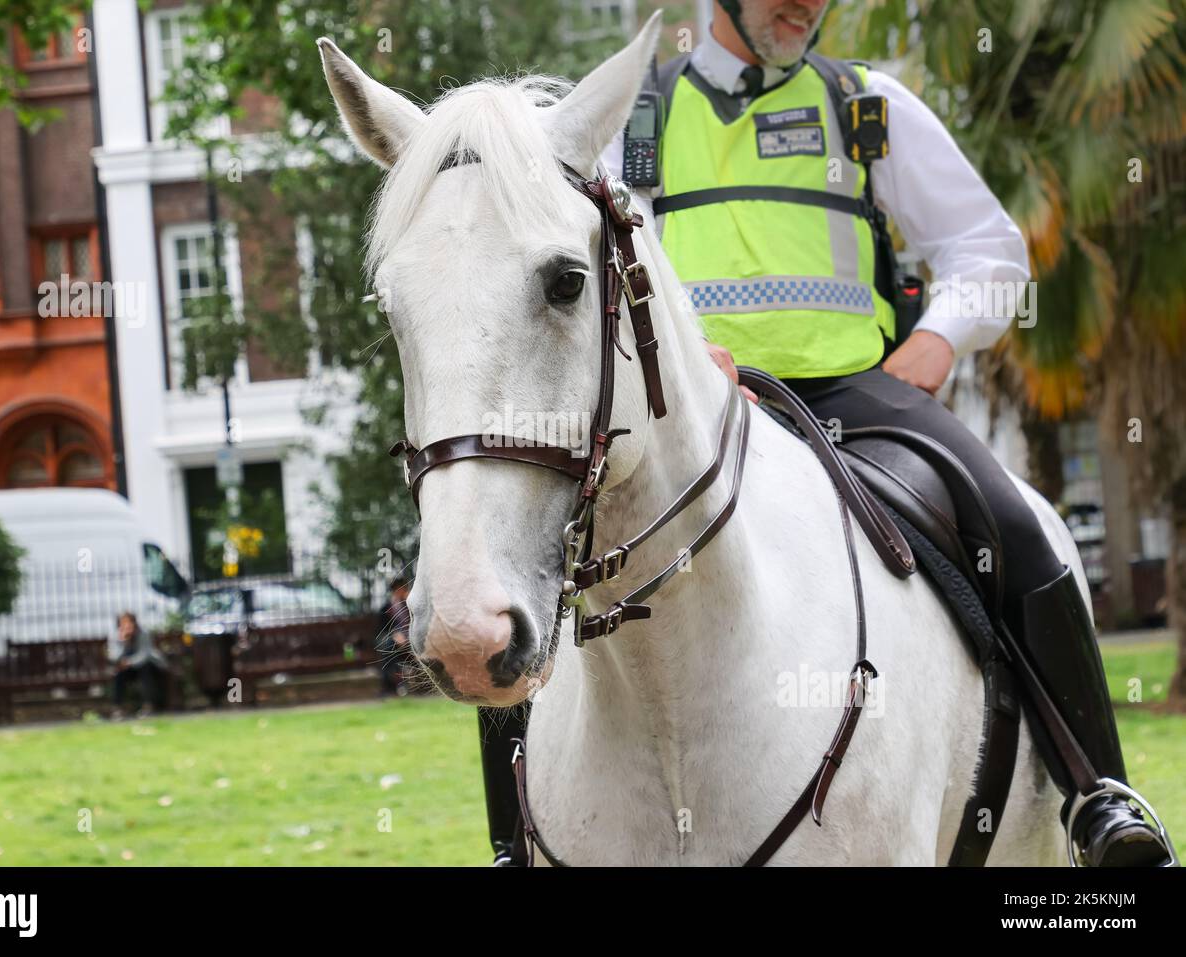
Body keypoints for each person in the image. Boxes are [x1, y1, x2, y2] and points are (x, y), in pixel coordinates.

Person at [478, 0, 1172, 867]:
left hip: (854, 398)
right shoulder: (632, 118)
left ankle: (1097, 798)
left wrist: (931, 344)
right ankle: (516, 838)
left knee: (1018, 521)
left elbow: (987, 247)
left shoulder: (867, 106)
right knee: (517, 545)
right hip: (692, 406)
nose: (807, 3)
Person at [112, 611, 168, 717]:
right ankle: (118, 708)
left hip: (147, 666)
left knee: (145, 670)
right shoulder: (116, 636)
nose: (127, 626)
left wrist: (130, 662)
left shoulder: (143, 633)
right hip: (127, 668)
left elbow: (145, 654)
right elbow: (114, 656)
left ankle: (148, 706)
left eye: (129, 623)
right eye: (123, 623)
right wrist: (124, 642)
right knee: (118, 674)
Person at [376, 576, 413, 697]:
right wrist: (395, 635)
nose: (400, 592)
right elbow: (382, 629)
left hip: (414, 638)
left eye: (403, 589)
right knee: (387, 648)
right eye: (397, 589)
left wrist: (410, 603)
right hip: (396, 640)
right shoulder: (387, 608)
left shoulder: (412, 604)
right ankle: (392, 685)